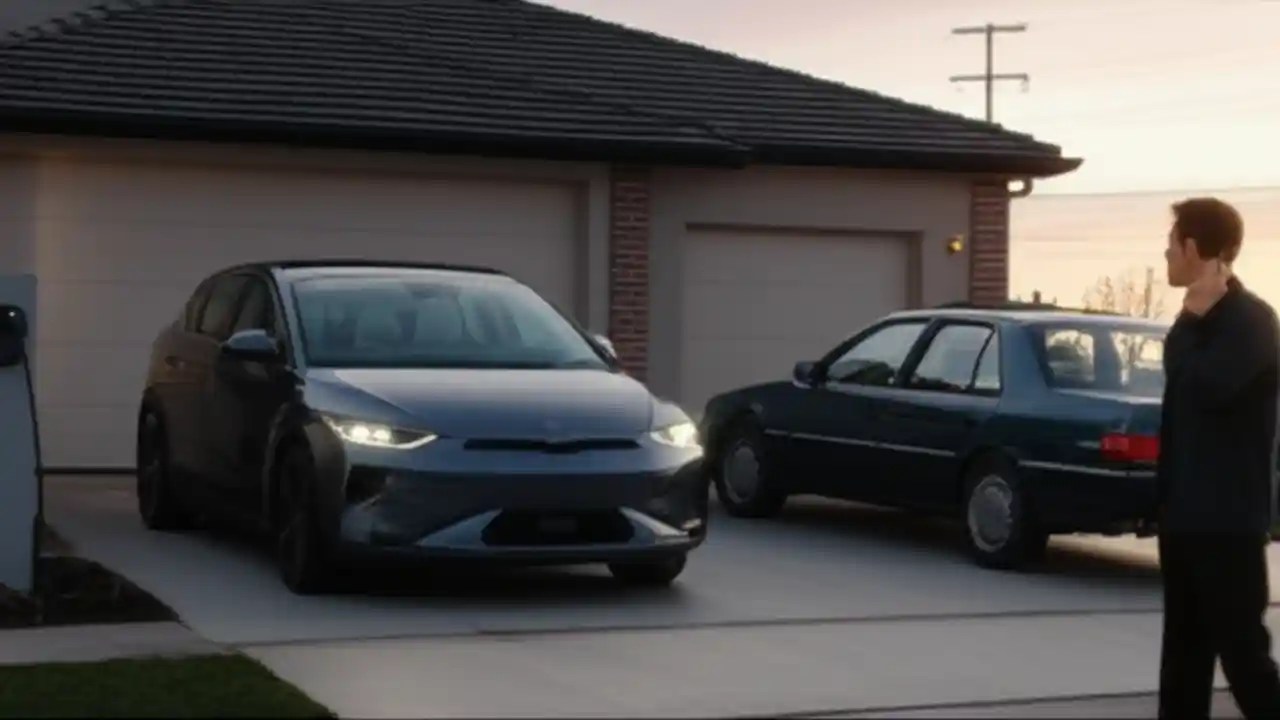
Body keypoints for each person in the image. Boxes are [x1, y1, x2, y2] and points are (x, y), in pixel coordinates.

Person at [1157, 197, 1280, 718]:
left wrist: (1191, 321)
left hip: (1228, 521)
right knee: (1183, 654)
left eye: (1171, 245)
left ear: (1192, 247)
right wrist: (1191, 320)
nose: (1165, 255)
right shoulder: (1196, 322)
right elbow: (1179, 373)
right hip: (1184, 517)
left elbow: (1207, 385)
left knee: (1243, 654)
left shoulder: (1253, 322)